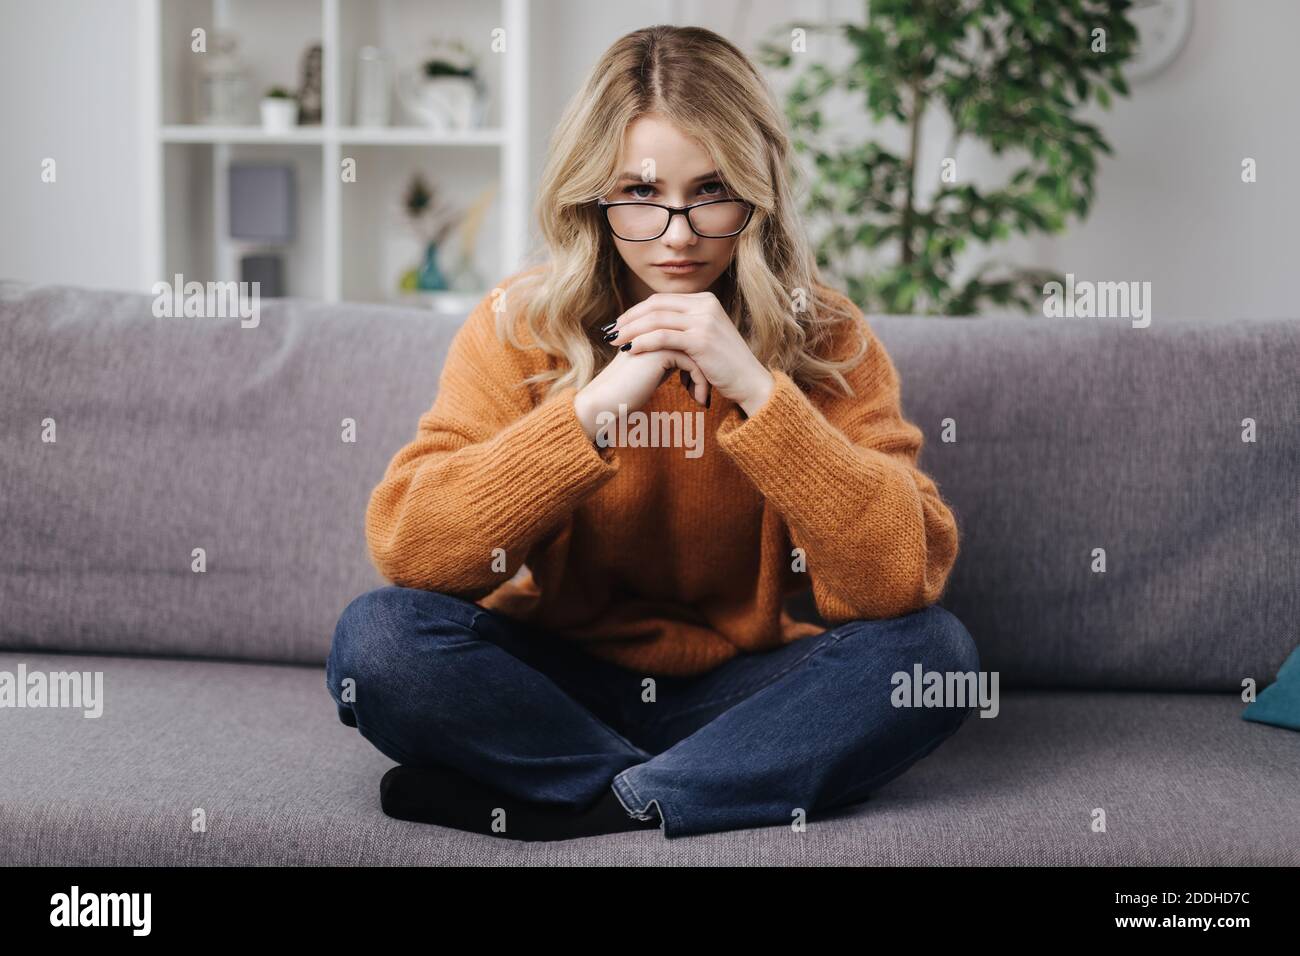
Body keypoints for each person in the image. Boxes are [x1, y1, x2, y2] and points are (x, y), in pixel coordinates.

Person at [327, 24, 979, 841]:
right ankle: (702, 787)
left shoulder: (829, 334)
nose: (677, 233)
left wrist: (755, 389)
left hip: (745, 688)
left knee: (934, 658)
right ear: (592, 195)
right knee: (378, 641)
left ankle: (588, 803)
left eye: (710, 191)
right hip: (559, 680)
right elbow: (413, 548)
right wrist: (597, 407)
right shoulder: (519, 324)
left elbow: (899, 579)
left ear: (758, 190)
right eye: (640, 193)